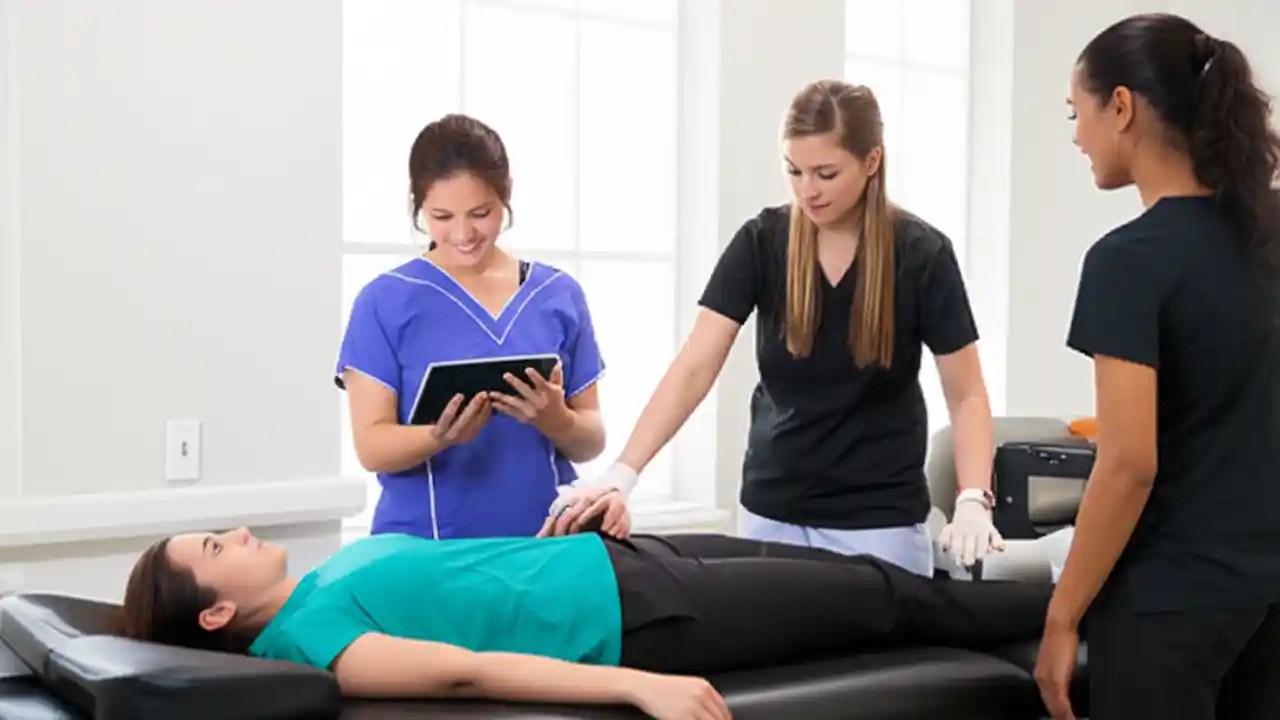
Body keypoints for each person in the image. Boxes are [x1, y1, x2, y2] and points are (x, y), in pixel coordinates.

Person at [544, 79, 1003, 577]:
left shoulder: (921, 254)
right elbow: (695, 366)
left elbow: (966, 393)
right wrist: (623, 474)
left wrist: (973, 497)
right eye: (794, 171)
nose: (808, 190)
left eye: (826, 173)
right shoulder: (762, 242)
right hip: (773, 512)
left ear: (872, 161)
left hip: (878, 520)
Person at [119, 525, 1053, 720]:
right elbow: (466, 672)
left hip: (617, 558)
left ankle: (1058, 593)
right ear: (216, 610)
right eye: (216, 546)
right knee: (881, 602)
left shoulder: (319, 582)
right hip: (640, 620)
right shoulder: (314, 644)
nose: (239, 532)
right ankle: (1068, 603)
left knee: (863, 579)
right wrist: (640, 687)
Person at [1035, 13, 1280, 720]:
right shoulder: (1266, 240)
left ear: (1122, 106)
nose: (1077, 137)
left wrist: (1062, 615)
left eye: (1077, 113)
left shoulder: (1128, 262)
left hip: (1168, 607)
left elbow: (1127, 464)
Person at [336, 113, 607, 541]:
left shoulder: (558, 294)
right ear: (418, 206)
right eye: (442, 216)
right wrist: (439, 436)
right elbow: (372, 448)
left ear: (506, 193)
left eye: (481, 213)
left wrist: (556, 420)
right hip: (425, 549)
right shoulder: (384, 302)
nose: (463, 234)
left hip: (542, 544)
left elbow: (591, 441)